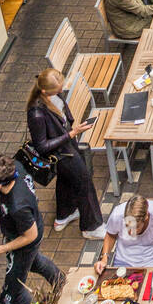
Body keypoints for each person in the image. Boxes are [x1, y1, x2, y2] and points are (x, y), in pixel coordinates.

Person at [27, 69, 105, 239]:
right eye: (57, 90)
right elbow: (42, 146)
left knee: (66, 180)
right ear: (45, 91)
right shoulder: (36, 113)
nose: (61, 91)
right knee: (84, 183)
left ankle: (64, 215)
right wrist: (71, 133)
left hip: (68, 145)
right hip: (62, 154)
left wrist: (72, 130)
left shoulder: (52, 96)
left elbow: (63, 118)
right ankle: (91, 227)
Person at [0, 154, 62, 304]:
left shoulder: (17, 206)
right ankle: (62, 283)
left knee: (15, 291)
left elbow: (30, 236)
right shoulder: (16, 166)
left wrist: (2, 248)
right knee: (35, 262)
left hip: (27, 240)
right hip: (32, 222)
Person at [95, 195, 153, 281]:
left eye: (136, 227)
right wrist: (104, 258)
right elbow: (110, 235)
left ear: (146, 217)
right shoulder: (117, 215)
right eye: (127, 226)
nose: (130, 232)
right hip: (123, 260)